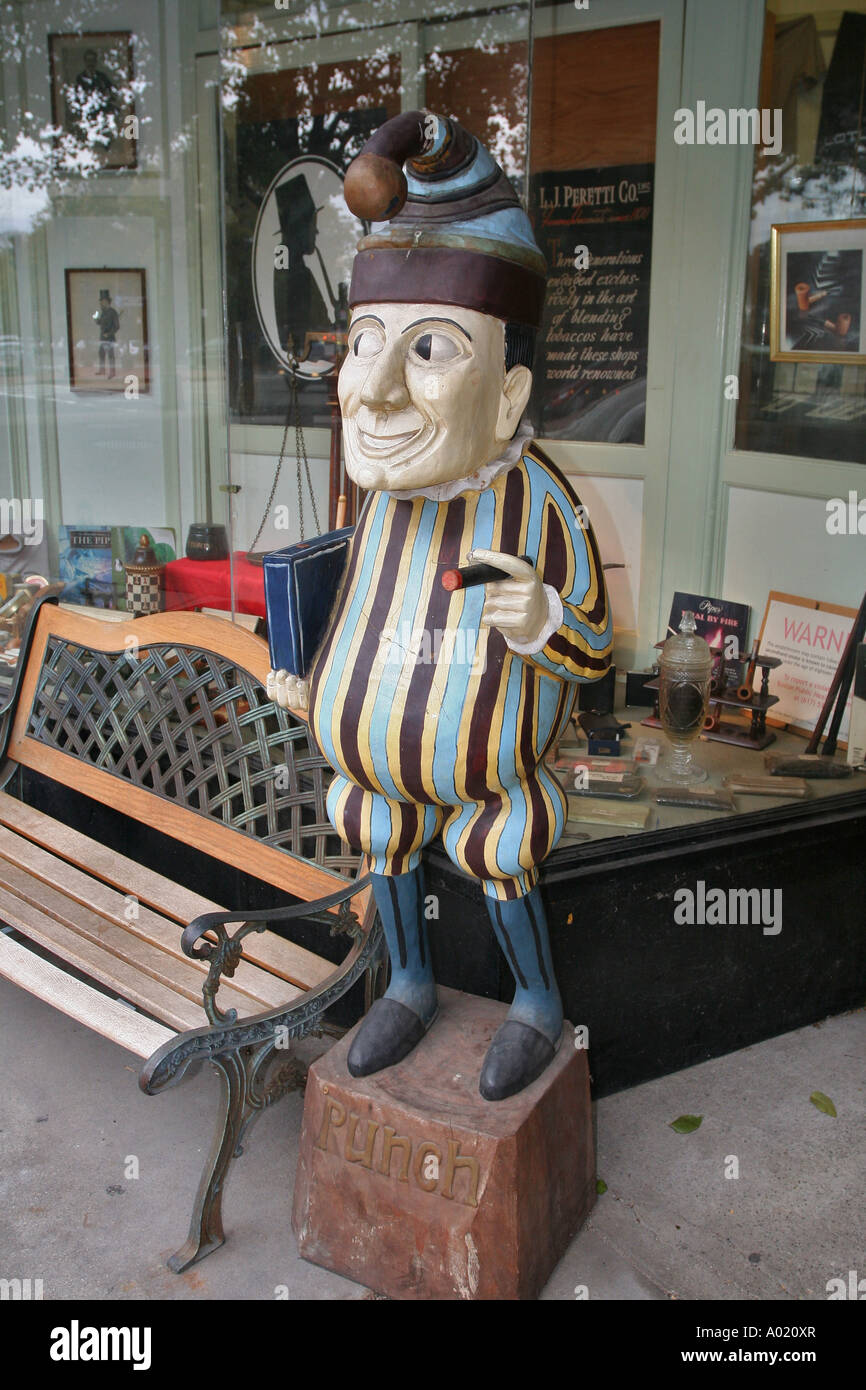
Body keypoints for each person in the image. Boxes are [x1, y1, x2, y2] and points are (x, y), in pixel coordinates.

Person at [268, 112, 612, 1100]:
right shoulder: (376, 493)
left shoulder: (537, 499)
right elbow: (349, 593)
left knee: (501, 859)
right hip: (379, 776)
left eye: (426, 350)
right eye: (362, 343)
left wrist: (547, 617)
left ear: (505, 400)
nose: (367, 391)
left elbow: (591, 653)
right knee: (387, 846)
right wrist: (306, 661)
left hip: (488, 781)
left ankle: (534, 1001)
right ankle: (407, 982)